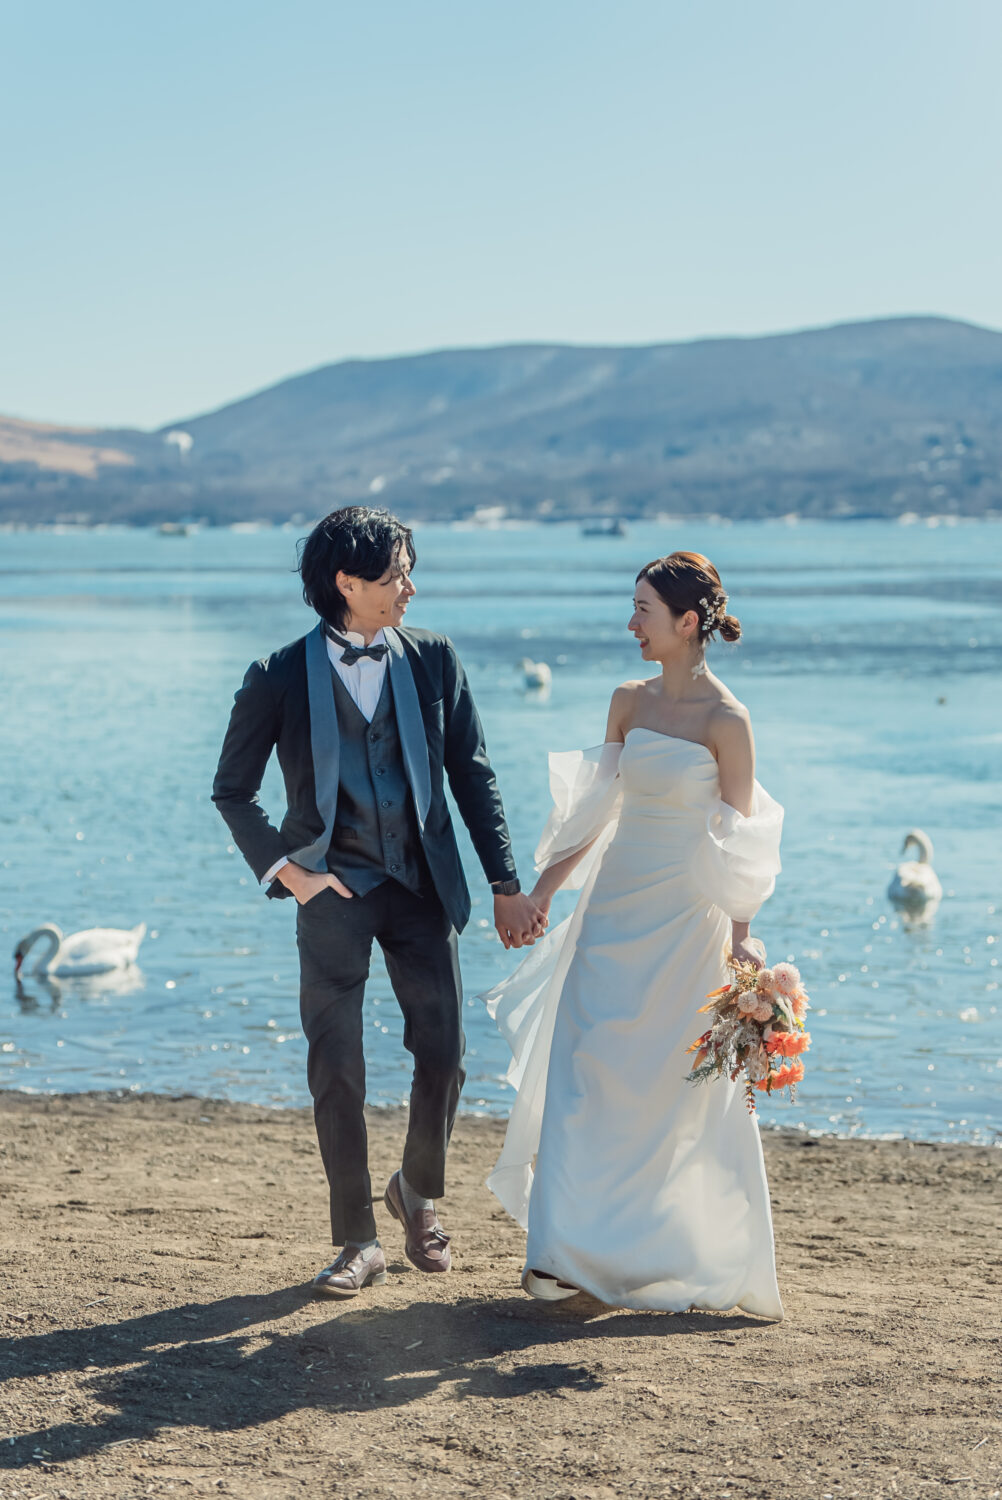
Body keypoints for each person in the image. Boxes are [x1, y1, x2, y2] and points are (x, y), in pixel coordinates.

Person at [213, 506, 545, 1297]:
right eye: (397, 574)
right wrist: (292, 875)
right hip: (332, 893)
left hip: (422, 886)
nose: (410, 587)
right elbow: (233, 792)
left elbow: (473, 775)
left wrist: (505, 886)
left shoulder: (434, 659)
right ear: (347, 583)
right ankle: (357, 1241)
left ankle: (416, 1190)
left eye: (408, 571)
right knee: (337, 1068)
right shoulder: (277, 675)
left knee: (444, 1055)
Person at [483, 550, 785, 1320]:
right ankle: (563, 1254)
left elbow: (741, 839)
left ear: (688, 622)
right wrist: (541, 892)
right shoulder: (627, 700)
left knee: (666, 1092)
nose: (631, 624)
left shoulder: (728, 722)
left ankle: (662, 1252)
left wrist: (743, 938)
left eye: (643, 610)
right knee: (584, 1073)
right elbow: (593, 815)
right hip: (612, 912)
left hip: (687, 924)